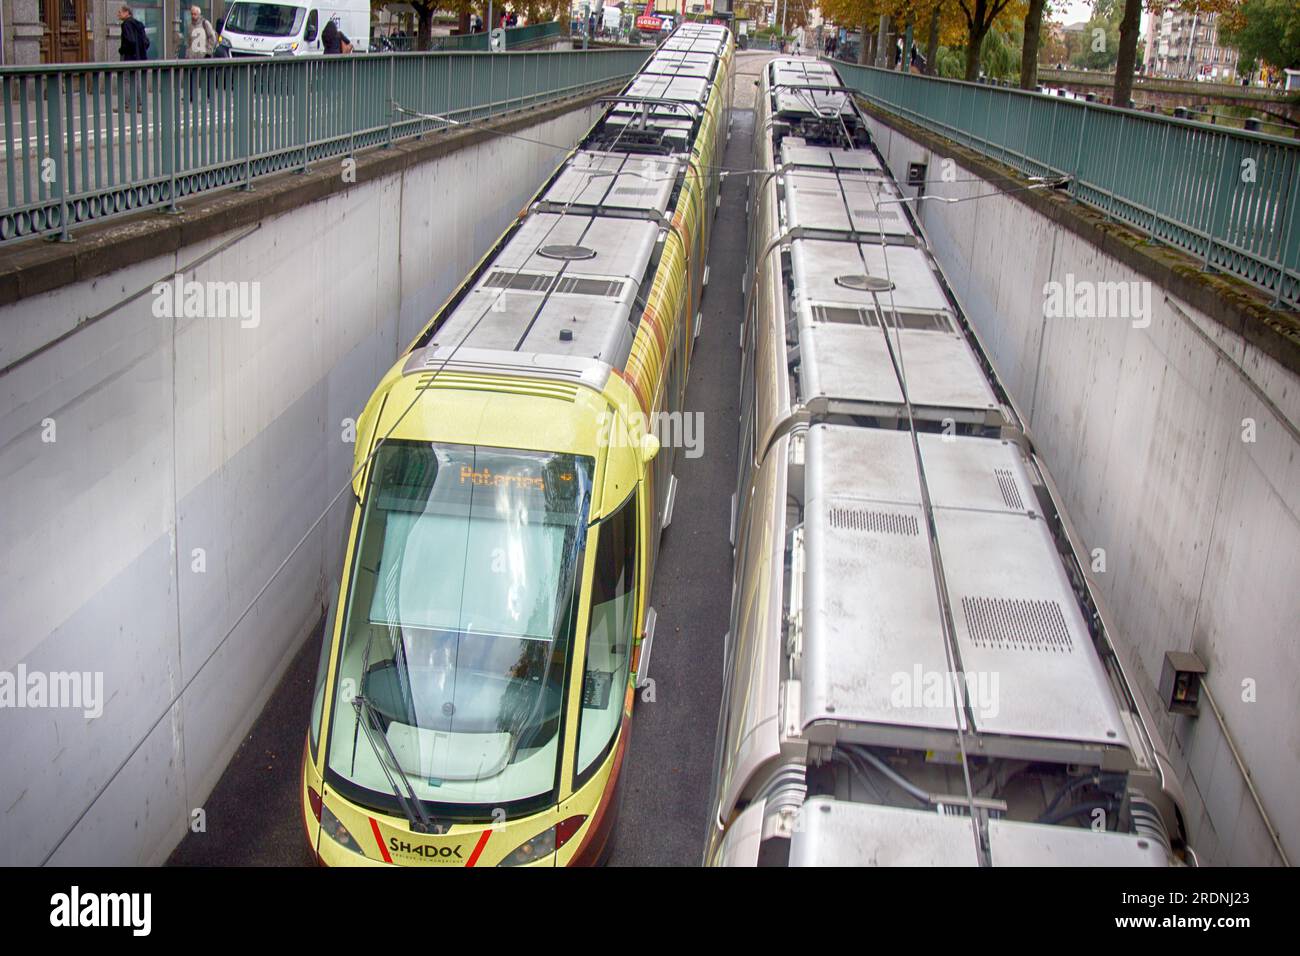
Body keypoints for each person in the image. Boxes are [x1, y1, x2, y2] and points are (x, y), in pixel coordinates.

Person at [117, 5, 149, 112]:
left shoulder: (126, 24)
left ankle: (127, 105)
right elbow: (146, 42)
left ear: (127, 13)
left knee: (126, 80)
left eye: (120, 12)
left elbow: (129, 40)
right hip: (139, 57)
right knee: (137, 80)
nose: (118, 14)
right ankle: (139, 105)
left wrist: (122, 50)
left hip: (129, 56)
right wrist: (139, 52)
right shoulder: (139, 24)